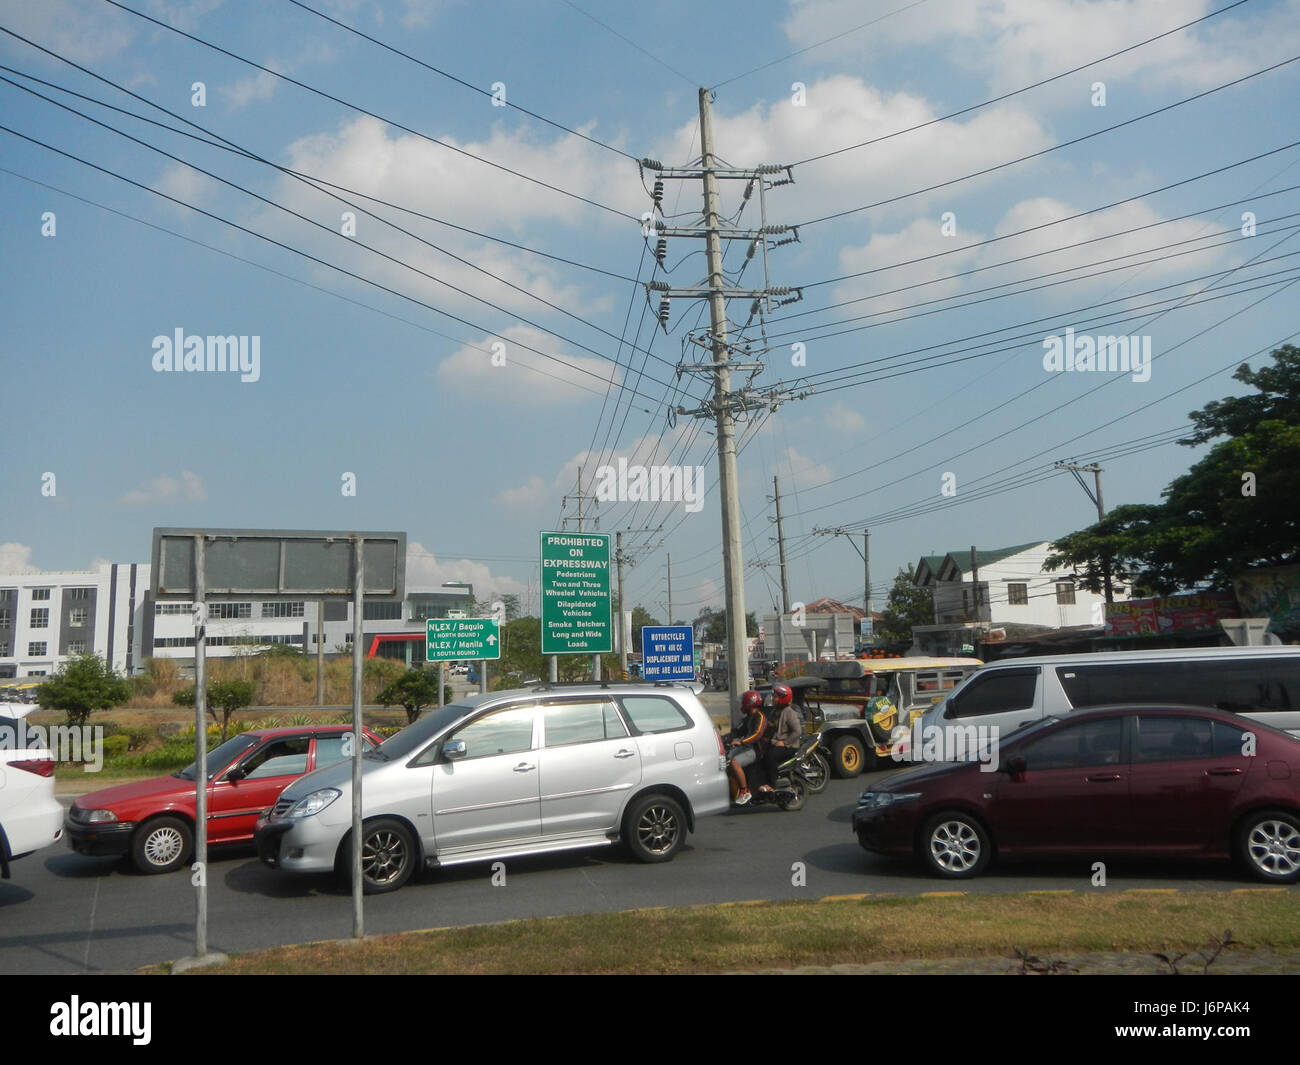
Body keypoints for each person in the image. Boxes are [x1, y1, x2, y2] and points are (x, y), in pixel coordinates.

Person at [727, 690, 767, 805]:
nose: (742, 703)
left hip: (756, 749)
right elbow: (739, 731)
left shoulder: (760, 717)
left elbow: (757, 734)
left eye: (744, 701)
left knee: (734, 762)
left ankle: (744, 791)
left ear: (750, 702)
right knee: (727, 757)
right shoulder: (749, 717)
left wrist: (742, 742)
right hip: (747, 747)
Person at [765, 682, 804, 784]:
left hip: (790, 746)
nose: (773, 698)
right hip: (776, 743)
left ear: (783, 698)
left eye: (775, 697)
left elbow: (797, 731)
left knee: (770, 756)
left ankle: (774, 783)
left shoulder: (789, 712)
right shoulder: (775, 711)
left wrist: (785, 743)